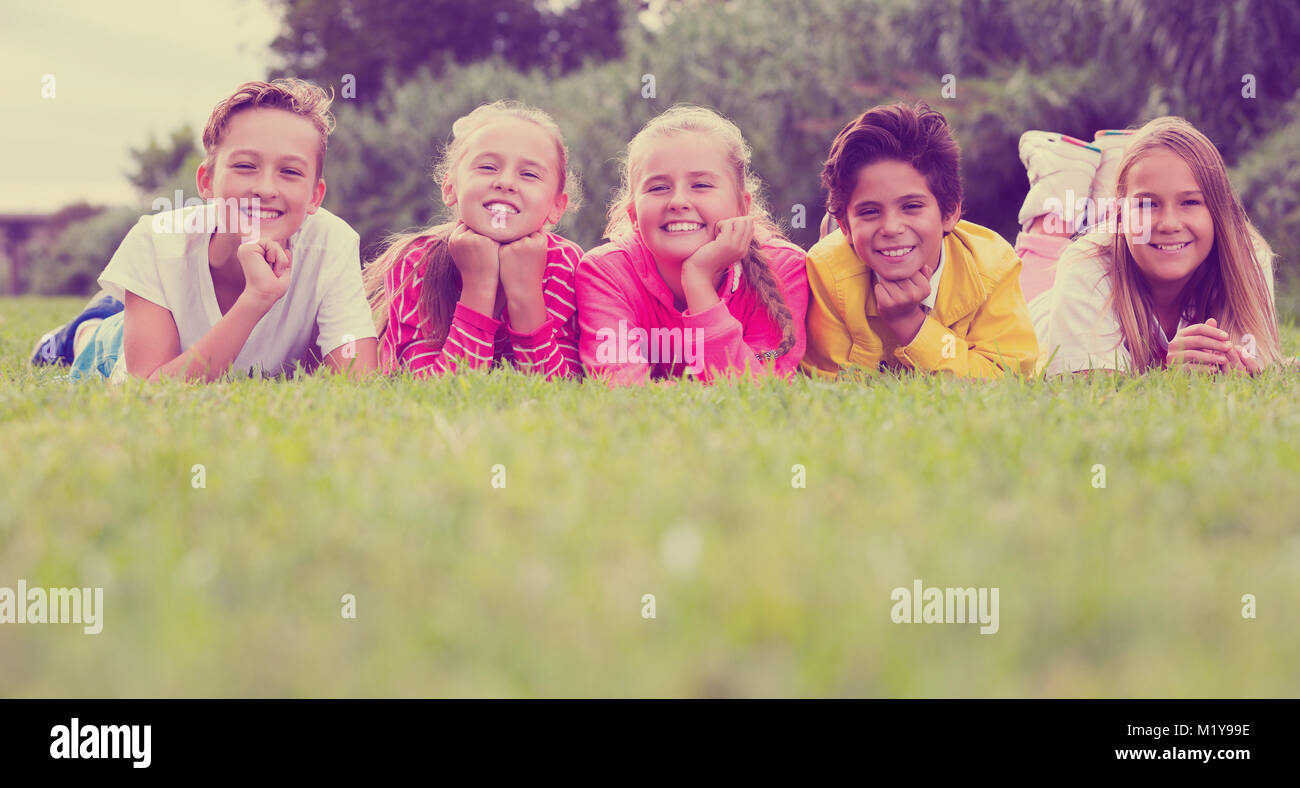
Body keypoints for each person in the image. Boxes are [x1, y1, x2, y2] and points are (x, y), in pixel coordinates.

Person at [32, 79, 378, 382]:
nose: (266, 188)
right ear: (207, 181)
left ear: (315, 196)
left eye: (290, 172)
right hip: (119, 344)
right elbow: (146, 394)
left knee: (128, 315)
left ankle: (114, 306)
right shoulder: (157, 241)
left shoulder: (334, 243)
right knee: (97, 339)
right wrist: (255, 301)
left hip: (165, 320)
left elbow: (358, 379)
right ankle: (78, 330)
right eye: (245, 166)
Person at [803, 102, 1038, 379]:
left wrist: (912, 326)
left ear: (950, 212)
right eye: (869, 212)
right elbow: (830, 384)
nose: (891, 228)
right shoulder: (828, 271)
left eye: (911, 206)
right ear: (845, 227)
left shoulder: (993, 265)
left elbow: (1007, 377)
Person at [576, 105, 807, 385]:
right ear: (634, 215)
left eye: (701, 185)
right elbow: (622, 387)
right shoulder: (605, 273)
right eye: (659, 188)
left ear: (741, 206)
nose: (678, 202)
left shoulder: (783, 269)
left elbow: (756, 392)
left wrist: (698, 280)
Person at [1039, 116, 1281, 375]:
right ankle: (1065, 169)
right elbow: (1093, 390)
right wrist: (1169, 372)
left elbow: (1258, 360)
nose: (1169, 224)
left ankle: (1113, 168)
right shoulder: (1085, 265)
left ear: (1219, 212)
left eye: (1190, 202)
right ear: (1120, 214)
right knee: (1043, 241)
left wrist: (1239, 367)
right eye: (1146, 204)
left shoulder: (1247, 258)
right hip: (1044, 303)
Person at [366, 102, 583, 379]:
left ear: (556, 205)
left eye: (528, 174)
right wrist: (478, 287)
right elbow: (432, 392)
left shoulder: (565, 266)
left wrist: (526, 293)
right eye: (488, 167)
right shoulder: (416, 262)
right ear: (450, 188)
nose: (505, 182)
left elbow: (559, 391)